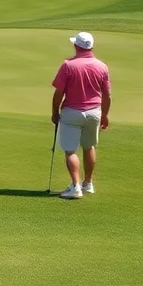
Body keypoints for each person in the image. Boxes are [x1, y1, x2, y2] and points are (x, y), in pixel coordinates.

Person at [51, 31, 111, 199]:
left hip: (72, 112)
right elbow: (107, 95)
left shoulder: (68, 65)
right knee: (89, 146)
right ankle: (88, 183)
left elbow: (58, 94)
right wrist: (105, 115)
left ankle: (76, 187)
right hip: (94, 112)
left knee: (70, 150)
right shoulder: (102, 66)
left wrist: (55, 113)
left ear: (76, 46)